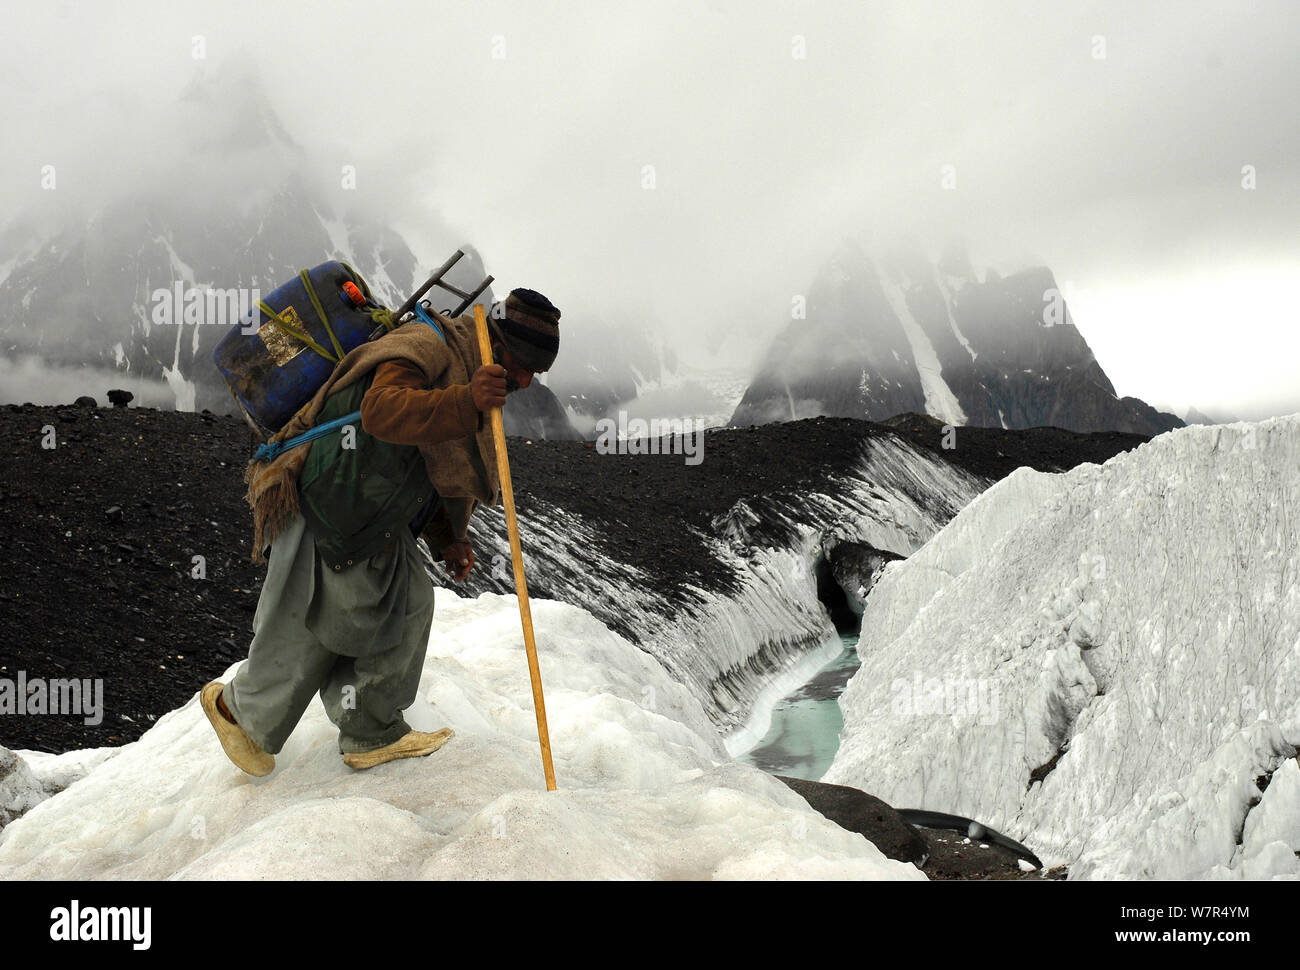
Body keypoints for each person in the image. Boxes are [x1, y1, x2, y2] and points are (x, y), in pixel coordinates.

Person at [201, 288, 561, 774]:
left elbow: (429, 463)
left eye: (535, 372)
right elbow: (382, 410)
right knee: (307, 626)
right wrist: (465, 400)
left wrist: (448, 538)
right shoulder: (428, 345)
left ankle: (370, 730)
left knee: (409, 603)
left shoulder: (470, 365)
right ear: (497, 341)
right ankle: (236, 712)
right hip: (326, 497)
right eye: (523, 364)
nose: (525, 379)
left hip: (371, 511)